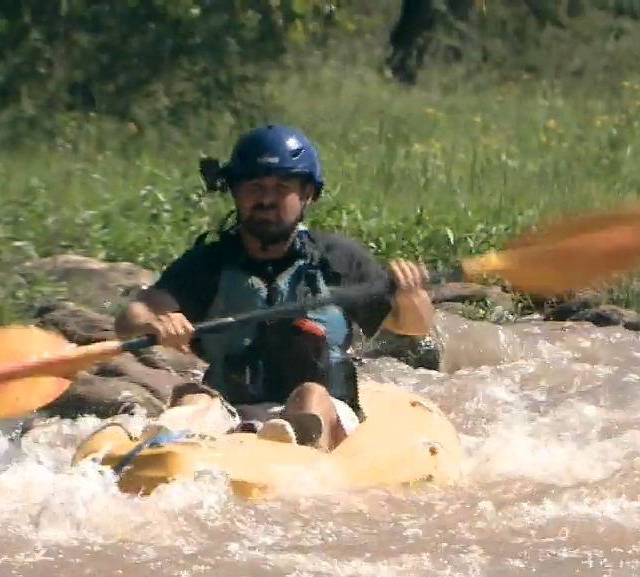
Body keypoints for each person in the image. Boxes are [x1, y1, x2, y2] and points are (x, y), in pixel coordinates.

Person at [113, 124, 436, 452]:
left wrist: (411, 297)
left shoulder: (339, 260)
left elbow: (414, 325)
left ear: (306, 194)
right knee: (192, 397)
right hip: (236, 413)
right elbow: (131, 316)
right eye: (254, 186)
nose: (266, 199)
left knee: (310, 395)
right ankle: (163, 449)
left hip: (326, 411)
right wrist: (156, 323)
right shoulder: (210, 263)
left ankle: (295, 445)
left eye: (281, 187)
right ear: (236, 192)